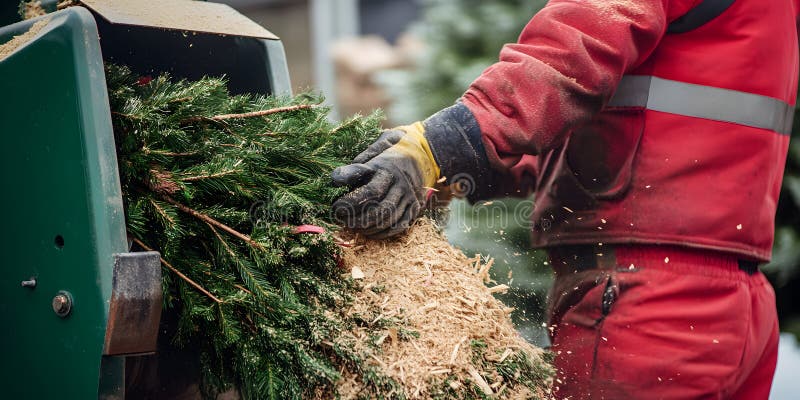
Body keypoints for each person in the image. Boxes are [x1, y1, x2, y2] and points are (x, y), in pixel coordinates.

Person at [331, 0, 798, 398]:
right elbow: (634, 130)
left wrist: (442, 144)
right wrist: (459, 170)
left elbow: (572, 47)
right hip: (737, 307)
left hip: (650, 308)